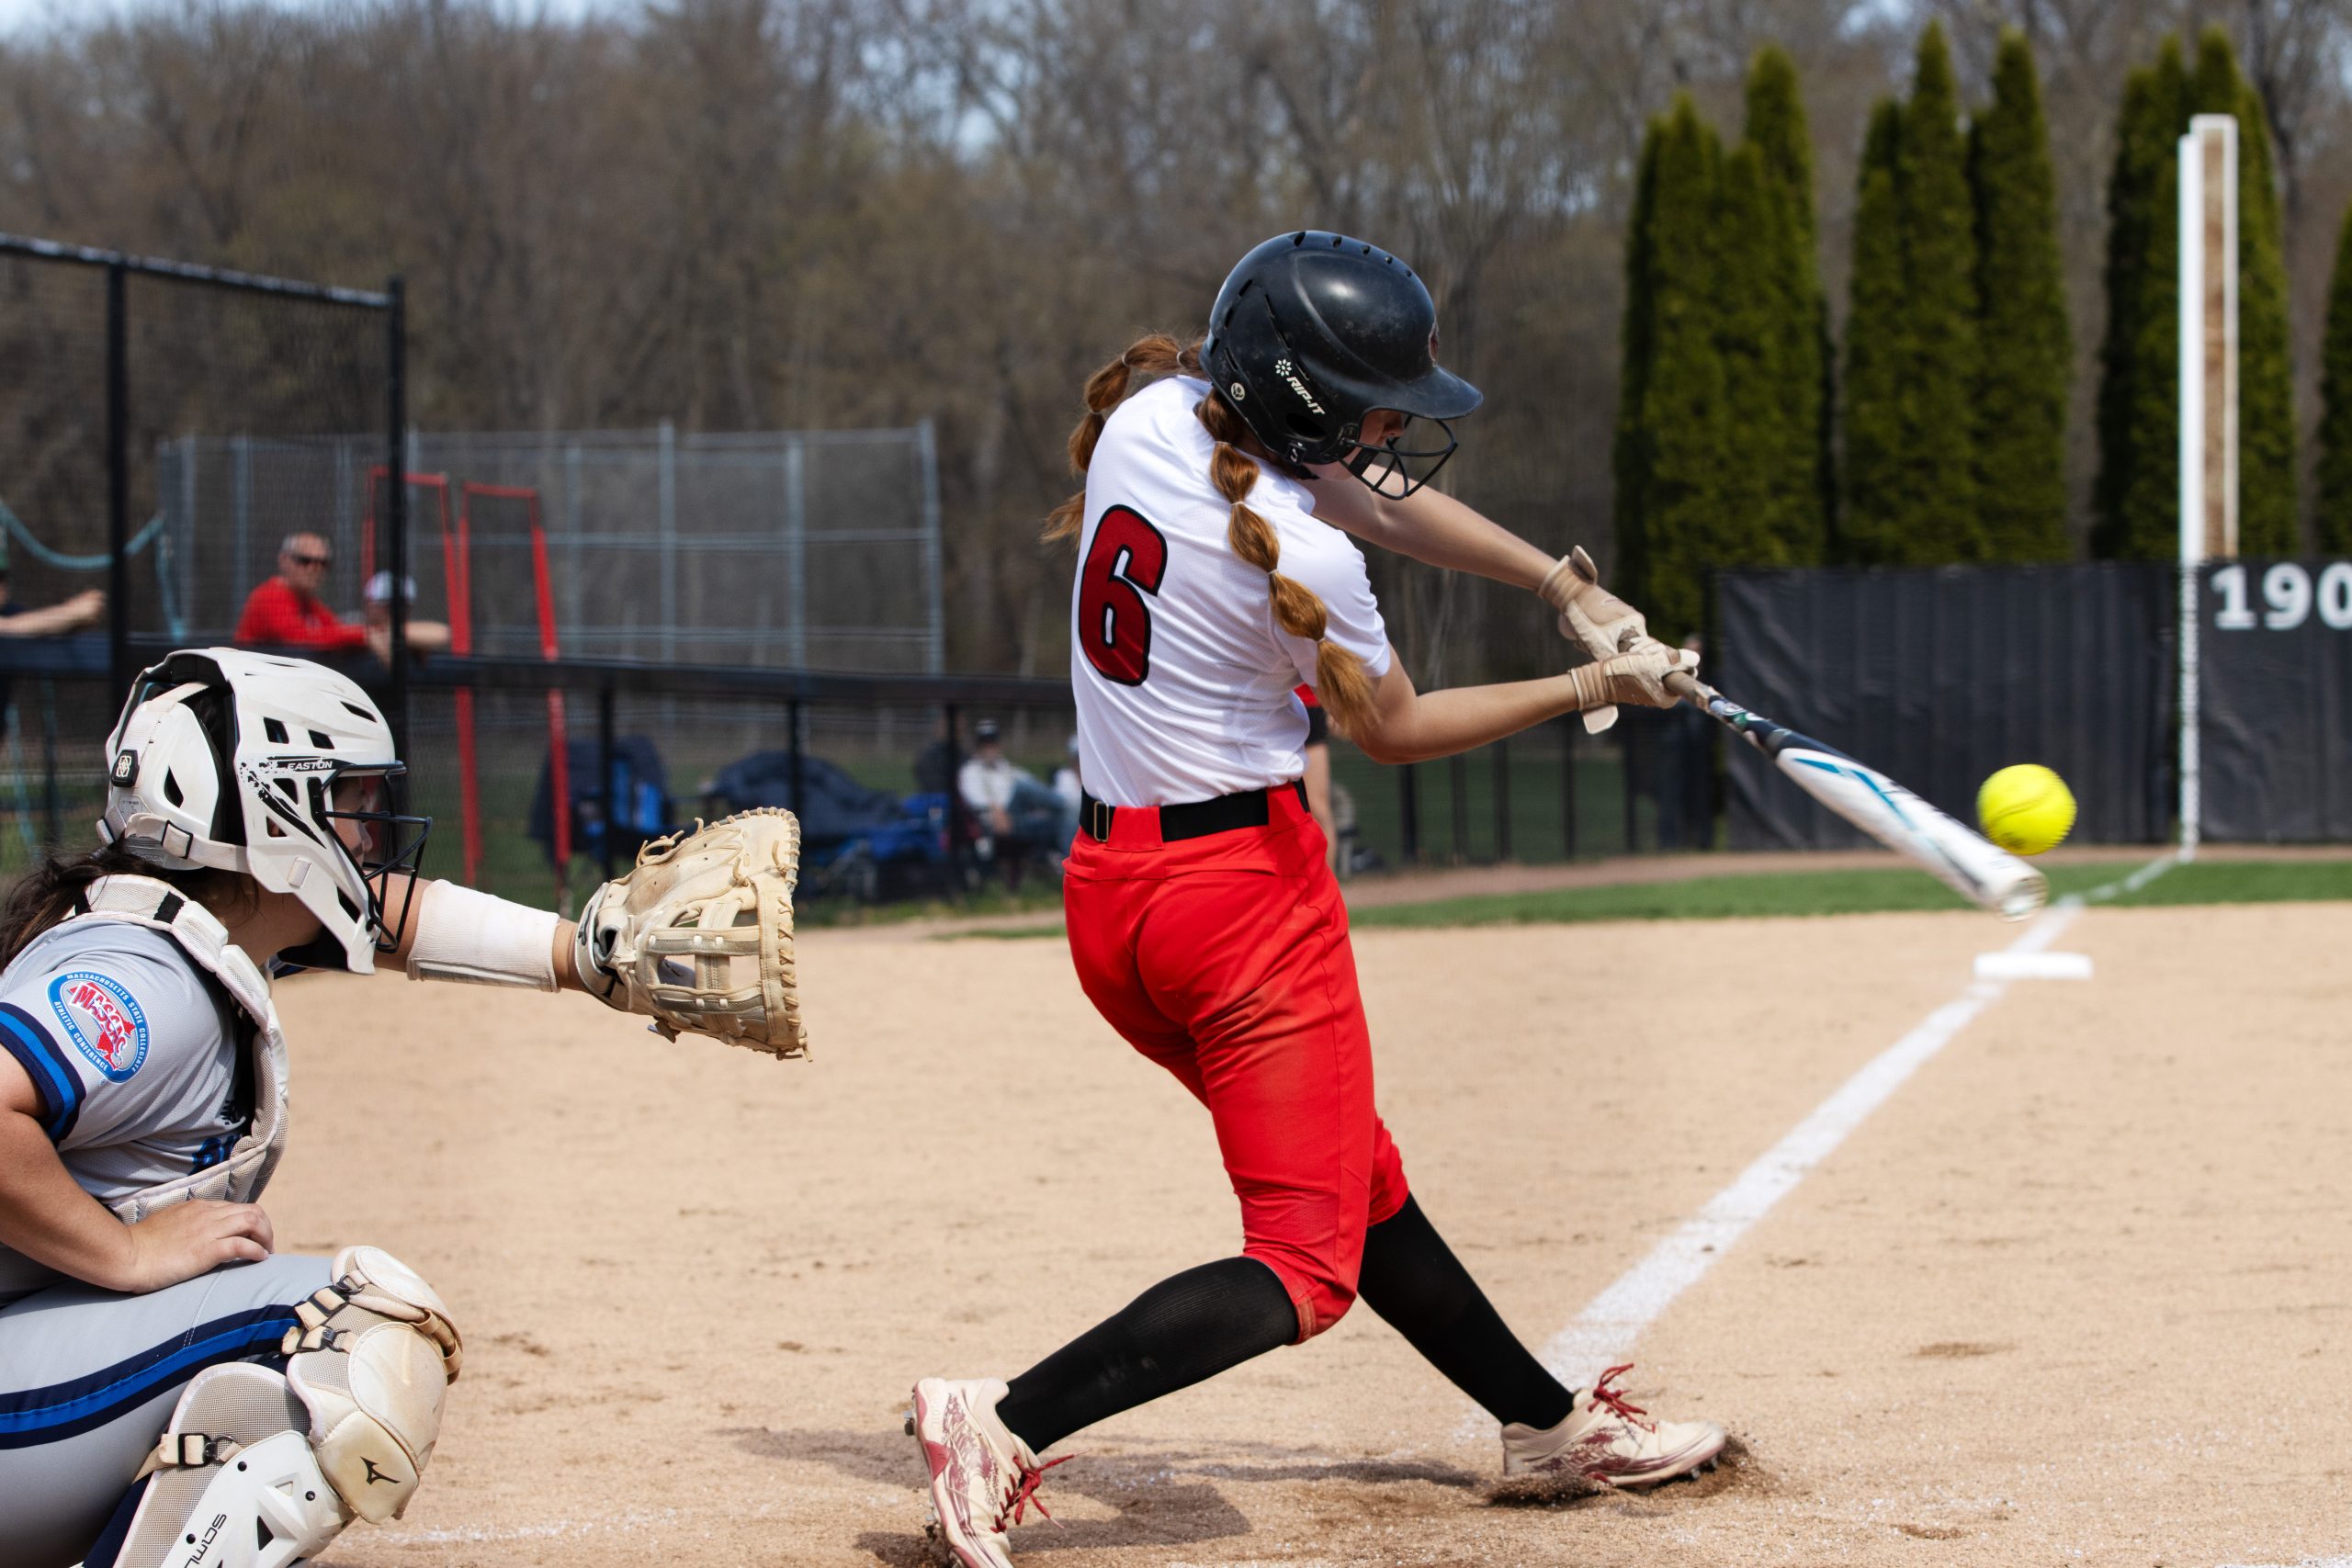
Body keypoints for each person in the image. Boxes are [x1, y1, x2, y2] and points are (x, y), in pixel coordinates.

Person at [908, 231, 1723, 1568]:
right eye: (1371, 403)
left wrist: (1567, 588)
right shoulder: (1303, 553)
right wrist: (1591, 687)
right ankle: (999, 1418)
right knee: (1304, 1262)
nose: (1394, 425)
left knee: (1357, 1179)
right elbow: (1394, 725)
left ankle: (1545, 1425)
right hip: (1243, 909)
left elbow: (1380, 499)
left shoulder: (1152, 413)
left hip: (1114, 901)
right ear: (1303, 406)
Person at [0, 647, 671, 1568]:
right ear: (273, 817)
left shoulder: (183, 931)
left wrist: (588, 957)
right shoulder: (148, 980)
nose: (368, 833)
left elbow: (395, 920)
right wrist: (121, 1251)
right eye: (348, 802)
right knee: (354, 1325)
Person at [956, 719, 1075, 878]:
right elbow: (974, 798)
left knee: (1064, 816)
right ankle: (1064, 802)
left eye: (992, 743)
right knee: (1022, 785)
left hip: (1018, 816)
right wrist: (996, 810)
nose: (989, 748)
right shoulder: (970, 771)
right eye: (985, 744)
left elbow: (1033, 787)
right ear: (978, 746)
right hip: (992, 820)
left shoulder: (1006, 768)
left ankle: (1071, 867)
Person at [232, 532, 370, 655]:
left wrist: (372, 635)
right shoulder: (269, 596)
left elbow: (334, 629)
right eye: (305, 561)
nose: (314, 569)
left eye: (322, 563)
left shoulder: (307, 600)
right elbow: (299, 639)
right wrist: (363, 635)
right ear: (284, 560)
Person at [363, 570, 452, 655]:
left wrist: (391, 634)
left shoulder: (415, 636)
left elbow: (444, 634)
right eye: (386, 606)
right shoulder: (360, 630)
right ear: (368, 605)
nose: (395, 611)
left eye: (402, 606)